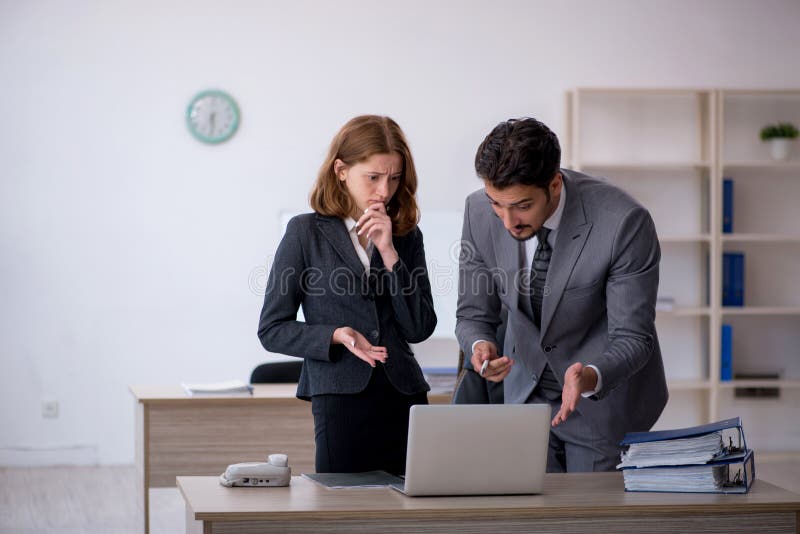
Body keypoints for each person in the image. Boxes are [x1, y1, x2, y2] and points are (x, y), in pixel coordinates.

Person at [455, 117, 668, 472]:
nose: (507, 221)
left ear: (554, 184)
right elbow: (473, 315)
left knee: (589, 521)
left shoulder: (622, 221)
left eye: (522, 205)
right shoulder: (478, 211)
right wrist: (480, 349)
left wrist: (588, 377)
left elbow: (633, 337)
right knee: (531, 521)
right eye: (497, 203)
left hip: (600, 402)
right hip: (524, 397)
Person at [258, 115, 437, 475]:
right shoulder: (304, 232)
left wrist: (389, 253)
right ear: (341, 170)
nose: (384, 191)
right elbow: (272, 328)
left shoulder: (405, 236)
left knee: (409, 514)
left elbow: (419, 327)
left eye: (395, 178)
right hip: (339, 395)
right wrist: (335, 334)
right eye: (373, 177)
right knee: (341, 510)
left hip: (404, 394)